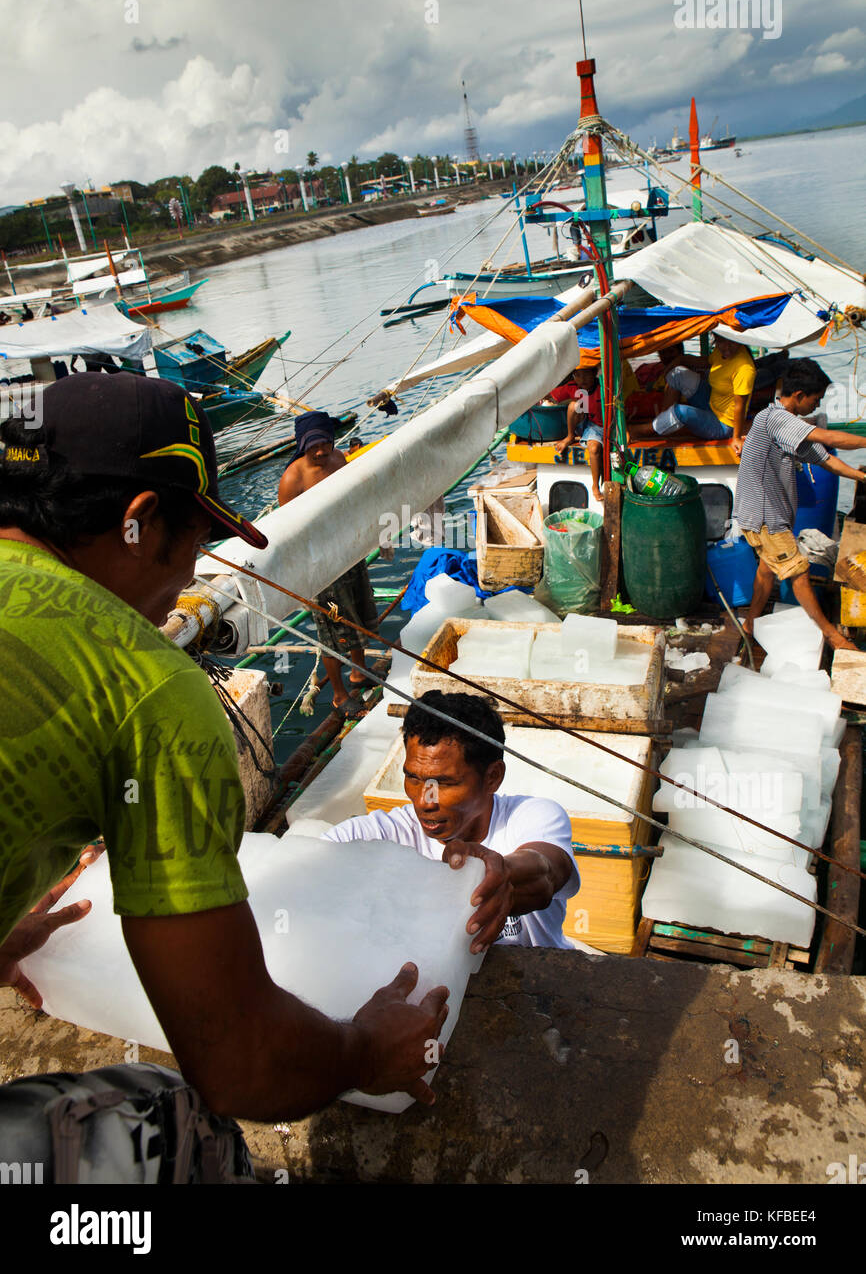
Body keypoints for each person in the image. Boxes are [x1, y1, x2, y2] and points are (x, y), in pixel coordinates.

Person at [0, 374, 448, 1176]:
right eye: (196, 542)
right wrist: (361, 1052)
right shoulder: (146, 688)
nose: (195, 576)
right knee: (170, 1125)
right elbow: (238, 1062)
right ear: (139, 522)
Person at [324, 691, 580, 950]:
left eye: (444, 783)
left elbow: (546, 873)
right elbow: (303, 867)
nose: (425, 801)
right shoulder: (380, 833)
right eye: (413, 778)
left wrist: (498, 871)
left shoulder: (533, 815)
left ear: (492, 777)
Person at [734, 357, 865, 651]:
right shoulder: (777, 419)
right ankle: (834, 637)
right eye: (815, 400)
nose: (816, 407)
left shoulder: (782, 426)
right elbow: (830, 438)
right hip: (765, 515)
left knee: (768, 570)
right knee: (798, 571)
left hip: (763, 513)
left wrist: (860, 476)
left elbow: (827, 460)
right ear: (798, 396)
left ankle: (751, 623)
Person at [278, 411, 378, 710]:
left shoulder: (337, 459)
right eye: (313, 447)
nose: (321, 452)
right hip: (319, 564)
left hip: (348, 550)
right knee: (332, 628)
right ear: (302, 445)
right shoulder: (292, 479)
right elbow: (288, 532)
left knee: (358, 612)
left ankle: (359, 675)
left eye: (326, 443)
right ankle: (339, 695)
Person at [653, 332, 756, 453]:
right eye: (721, 341)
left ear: (738, 339)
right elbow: (707, 362)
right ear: (716, 339)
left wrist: (736, 438)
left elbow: (740, 406)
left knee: (680, 411)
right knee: (678, 373)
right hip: (711, 404)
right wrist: (680, 359)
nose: (726, 347)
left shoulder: (744, 368)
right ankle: (663, 422)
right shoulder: (720, 351)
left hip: (724, 425)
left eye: (731, 342)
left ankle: (642, 429)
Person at [552, 365, 605, 502]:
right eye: (578, 376)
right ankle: (570, 437)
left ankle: (596, 485)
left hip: (602, 426)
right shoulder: (573, 386)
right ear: (574, 376)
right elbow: (551, 395)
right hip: (587, 425)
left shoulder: (603, 387)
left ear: (594, 373)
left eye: (587, 375)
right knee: (573, 406)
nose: (583, 379)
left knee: (594, 448)